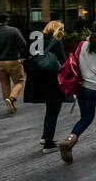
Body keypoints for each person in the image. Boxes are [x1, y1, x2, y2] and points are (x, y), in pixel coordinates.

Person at [59, 19, 96, 161]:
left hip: (84, 89)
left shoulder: (82, 45)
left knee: (86, 117)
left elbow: (75, 63)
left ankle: (69, 140)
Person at [24, 20, 66, 152]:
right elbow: (62, 61)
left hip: (39, 79)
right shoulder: (56, 42)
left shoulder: (37, 40)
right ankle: (48, 143)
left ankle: (45, 136)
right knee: (53, 110)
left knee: (50, 110)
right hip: (53, 80)